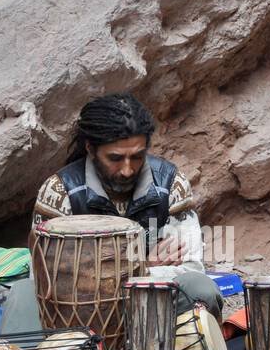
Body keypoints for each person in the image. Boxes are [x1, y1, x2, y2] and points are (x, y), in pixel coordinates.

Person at [32, 92, 222, 316]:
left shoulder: (171, 183)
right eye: (115, 158)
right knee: (22, 297)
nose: (127, 170)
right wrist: (143, 267)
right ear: (90, 149)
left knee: (203, 290)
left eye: (137, 157)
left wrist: (107, 274)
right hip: (82, 313)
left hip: (155, 306)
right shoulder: (59, 192)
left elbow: (192, 269)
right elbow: (44, 279)